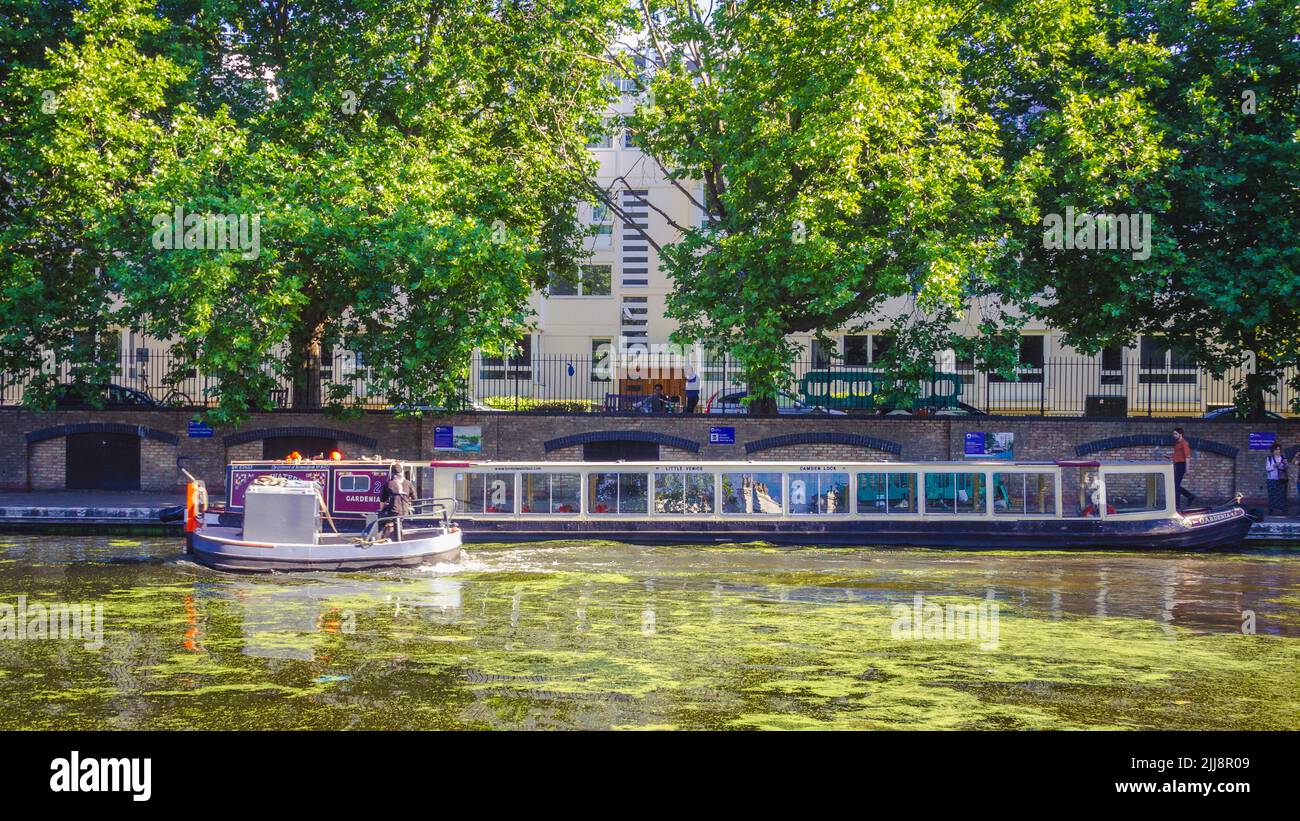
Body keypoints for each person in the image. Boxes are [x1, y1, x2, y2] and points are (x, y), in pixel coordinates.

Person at [379, 465, 416, 538]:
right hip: (405, 511)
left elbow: (382, 500)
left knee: (384, 522)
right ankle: (398, 537)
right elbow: (414, 498)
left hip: (393, 511)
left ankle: (383, 540)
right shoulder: (408, 483)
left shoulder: (388, 484)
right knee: (397, 523)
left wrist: (381, 510)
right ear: (402, 472)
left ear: (392, 473)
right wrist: (407, 502)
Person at [1171, 427, 1196, 510]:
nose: (1174, 435)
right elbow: (1177, 456)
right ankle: (1190, 496)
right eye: (1173, 434)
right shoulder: (1177, 444)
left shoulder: (1184, 443)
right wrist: (1169, 457)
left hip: (1182, 465)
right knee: (1175, 485)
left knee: (1175, 485)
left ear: (1180, 434)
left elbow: (1187, 457)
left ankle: (1177, 505)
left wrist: (1187, 469)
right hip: (1177, 465)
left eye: (1175, 434)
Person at [1265, 442, 1288, 516]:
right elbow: (1267, 468)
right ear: (1273, 450)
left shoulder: (1283, 458)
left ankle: (1282, 510)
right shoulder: (1269, 458)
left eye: (1279, 449)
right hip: (1271, 479)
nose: (1278, 451)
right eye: (1276, 450)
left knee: (1281, 495)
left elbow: (1285, 468)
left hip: (1281, 479)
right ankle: (1271, 509)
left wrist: (1285, 465)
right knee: (1272, 495)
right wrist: (1275, 465)